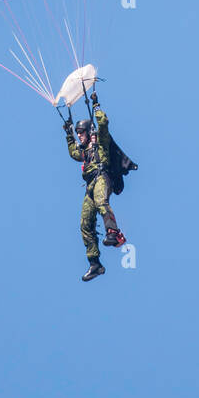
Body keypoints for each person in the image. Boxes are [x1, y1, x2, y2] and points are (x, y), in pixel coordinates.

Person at [64, 92, 127, 282]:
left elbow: (104, 124)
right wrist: (68, 134)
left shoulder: (100, 143)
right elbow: (74, 153)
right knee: (85, 222)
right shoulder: (83, 152)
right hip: (89, 185)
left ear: (88, 131)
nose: (79, 136)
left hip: (102, 177)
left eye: (80, 132)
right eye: (77, 133)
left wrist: (96, 105)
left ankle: (113, 233)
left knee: (102, 202)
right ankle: (95, 263)